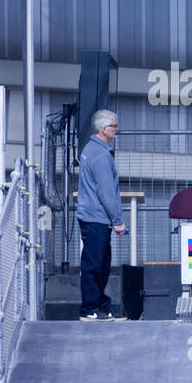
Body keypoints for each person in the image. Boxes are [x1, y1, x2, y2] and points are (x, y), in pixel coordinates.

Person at [77, 110, 126, 321]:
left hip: (92, 217)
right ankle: (90, 309)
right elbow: (106, 192)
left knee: (100, 264)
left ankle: (100, 308)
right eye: (114, 126)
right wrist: (118, 221)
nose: (116, 130)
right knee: (95, 265)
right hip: (96, 218)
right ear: (104, 129)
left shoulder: (91, 150)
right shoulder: (101, 156)